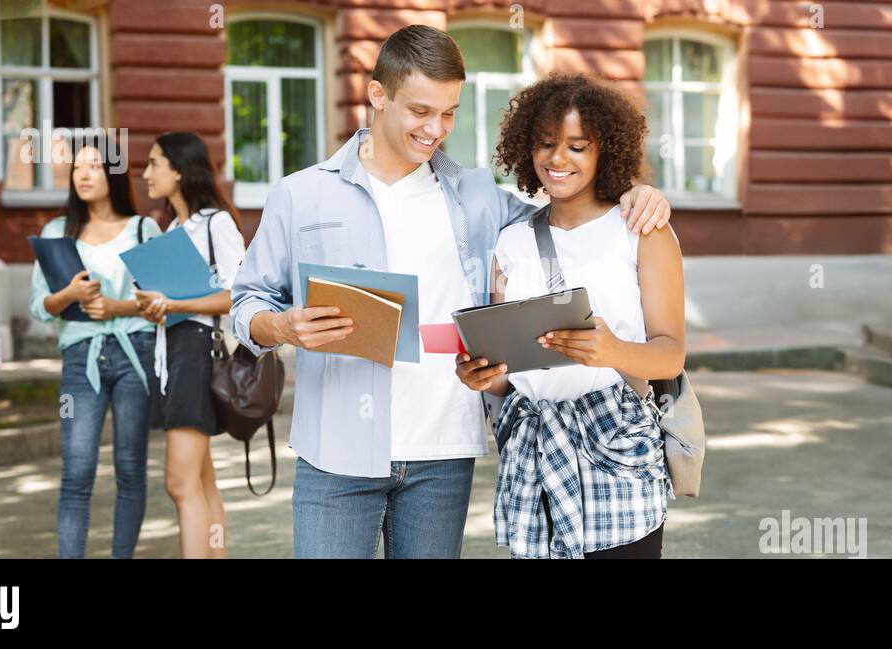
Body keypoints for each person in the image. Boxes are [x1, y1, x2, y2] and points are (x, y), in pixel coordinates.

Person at [231, 25, 674, 559]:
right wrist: (281, 327)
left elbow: (569, 210)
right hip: (337, 454)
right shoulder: (301, 195)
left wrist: (634, 188)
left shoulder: (479, 196)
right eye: (421, 111)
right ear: (378, 94)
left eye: (449, 112)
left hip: (442, 455)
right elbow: (247, 300)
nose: (436, 129)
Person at [456, 73, 686, 559]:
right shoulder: (512, 240)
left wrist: (612, 351)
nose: (557, 159)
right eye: (545, 144)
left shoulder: (641, 230)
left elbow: (671, 355)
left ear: (606, 150)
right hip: (535, 452)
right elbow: (507, 375)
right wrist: (483, 376)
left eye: (577, 146)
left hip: (616, 450)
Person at [28, 136, 160, 559]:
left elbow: (164, 306)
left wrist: (117, 307)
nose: (82, 174)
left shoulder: (143, 229)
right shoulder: (56, 232)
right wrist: (68, 294)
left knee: (129, 469)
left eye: (94, 166)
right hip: (79, 359)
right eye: (77, 167)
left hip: (135, 355)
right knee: (77, 471)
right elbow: (39, 307)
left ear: (114, 174)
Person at [135, 132, 246, 559]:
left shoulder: (216, 222)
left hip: (198, 351)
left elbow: (239, 294)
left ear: (179, 170)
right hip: (173, 350)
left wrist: (175, 302)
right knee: (201, 482)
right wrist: (155, 307)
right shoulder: (172, 228)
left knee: (179, 484)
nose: (146, 174)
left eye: (154, 163)